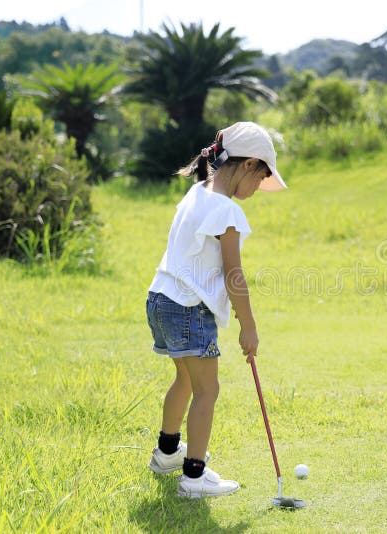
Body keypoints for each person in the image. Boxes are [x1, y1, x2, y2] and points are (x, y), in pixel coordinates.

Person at [145, 122, 287, 498]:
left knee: (186, 379)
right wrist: (249, 326)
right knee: (208, 388)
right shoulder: (227, 211)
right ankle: (193, 478)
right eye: (261, 178)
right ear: (248, 164)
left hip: (160, 299)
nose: (258, 189)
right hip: (189, 309)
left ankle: (167, 454)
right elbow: (233, 275)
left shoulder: (196, 194)